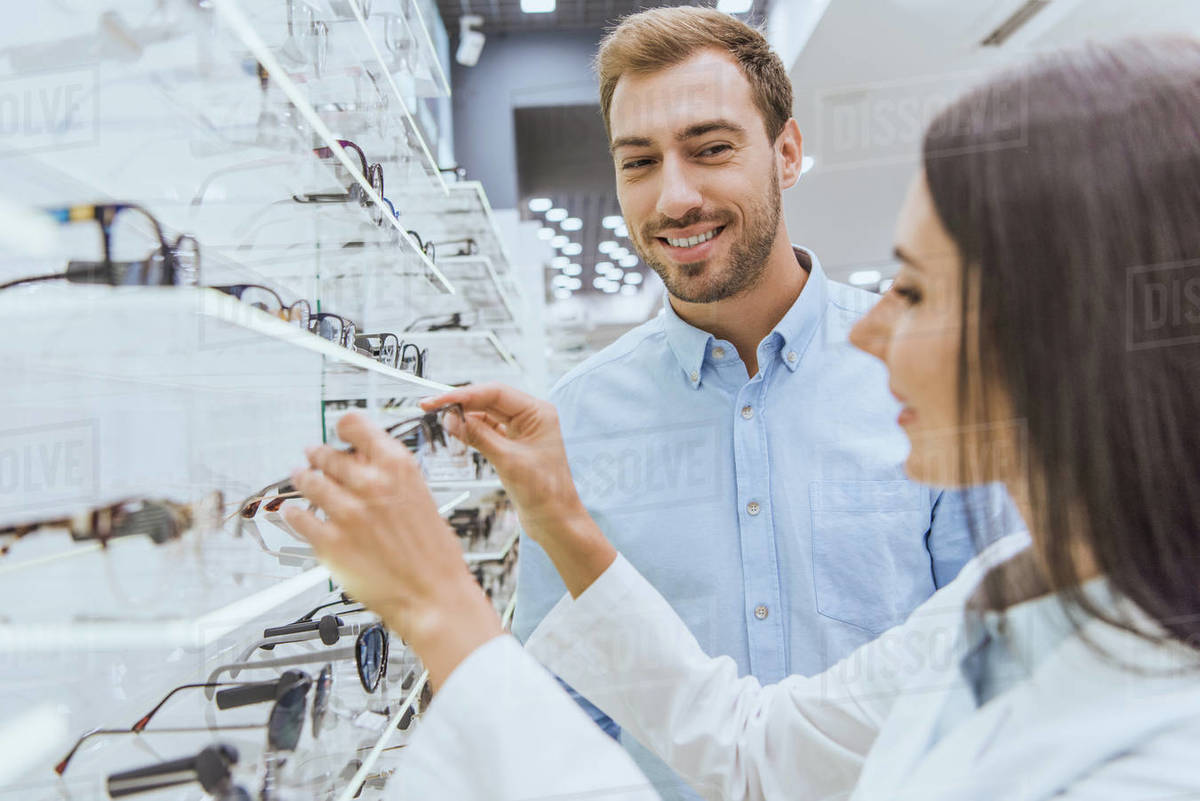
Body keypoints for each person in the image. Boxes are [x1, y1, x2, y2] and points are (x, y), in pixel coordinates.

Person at [285, 35, 1200, 801]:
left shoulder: (1156, 746)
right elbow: (751, 748)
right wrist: (555, 521)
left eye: (913, 289)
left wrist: (444, 614)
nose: (872, 329)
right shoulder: (1013, 594)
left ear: (1057, 326)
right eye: (638, 160)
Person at [514, 9, 1010, 794]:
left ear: (786, 153)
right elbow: (557, 723)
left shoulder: (924, 376)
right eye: (638, 162)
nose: (674, 197)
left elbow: (994, 665)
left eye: (711, 149)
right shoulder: (570, 426)